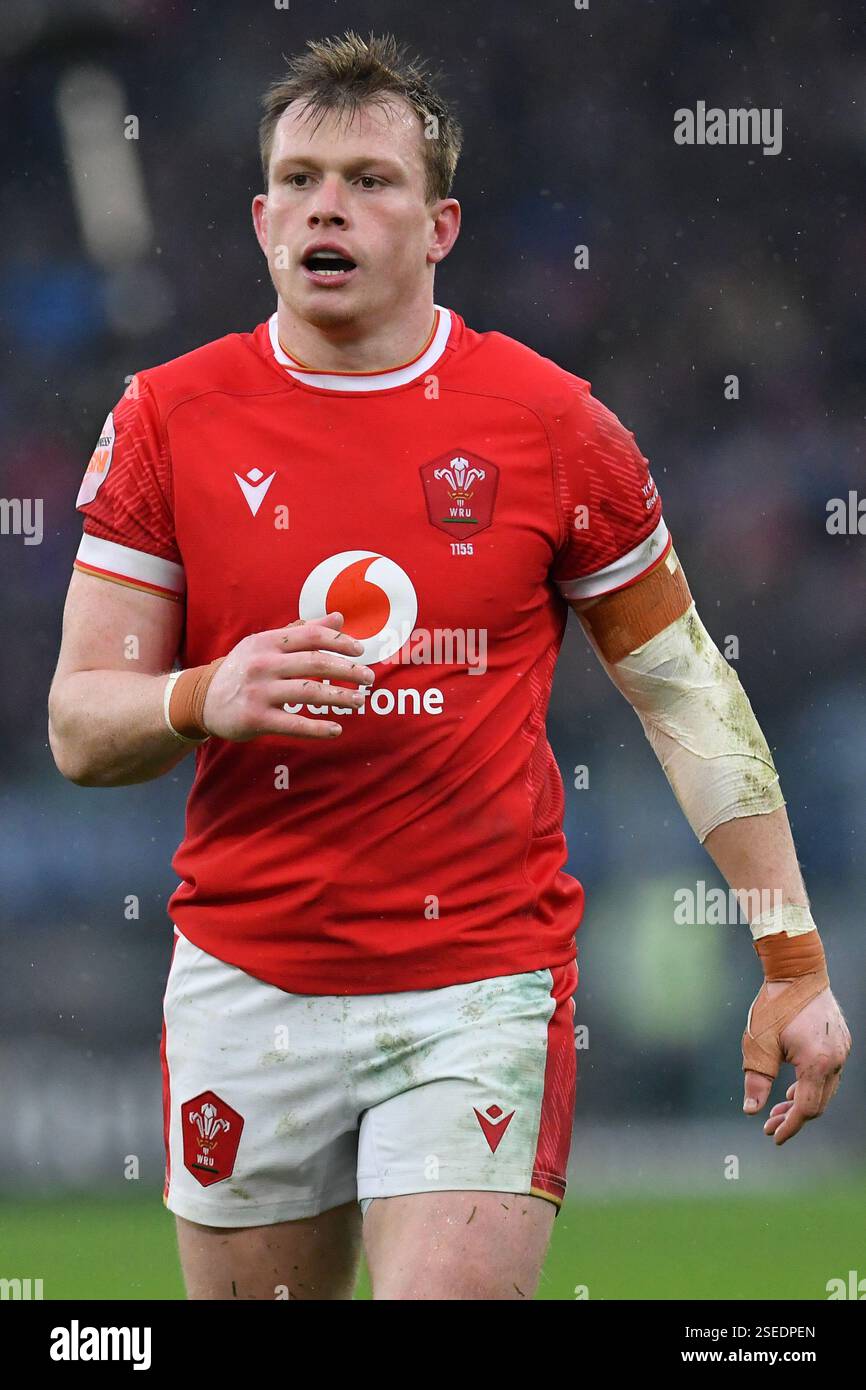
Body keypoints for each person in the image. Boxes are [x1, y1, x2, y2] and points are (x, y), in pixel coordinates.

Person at [48, 30, 851, 1300]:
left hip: (477, 982)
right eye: (299, 180)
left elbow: (685, 695)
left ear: (439, 227)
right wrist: (204, 694)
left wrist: (792, 961)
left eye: (369, 180)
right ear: (262, 220)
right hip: (246, 978)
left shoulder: (552, 426)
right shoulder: (165, 420)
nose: (327, 206)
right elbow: (80, 727)